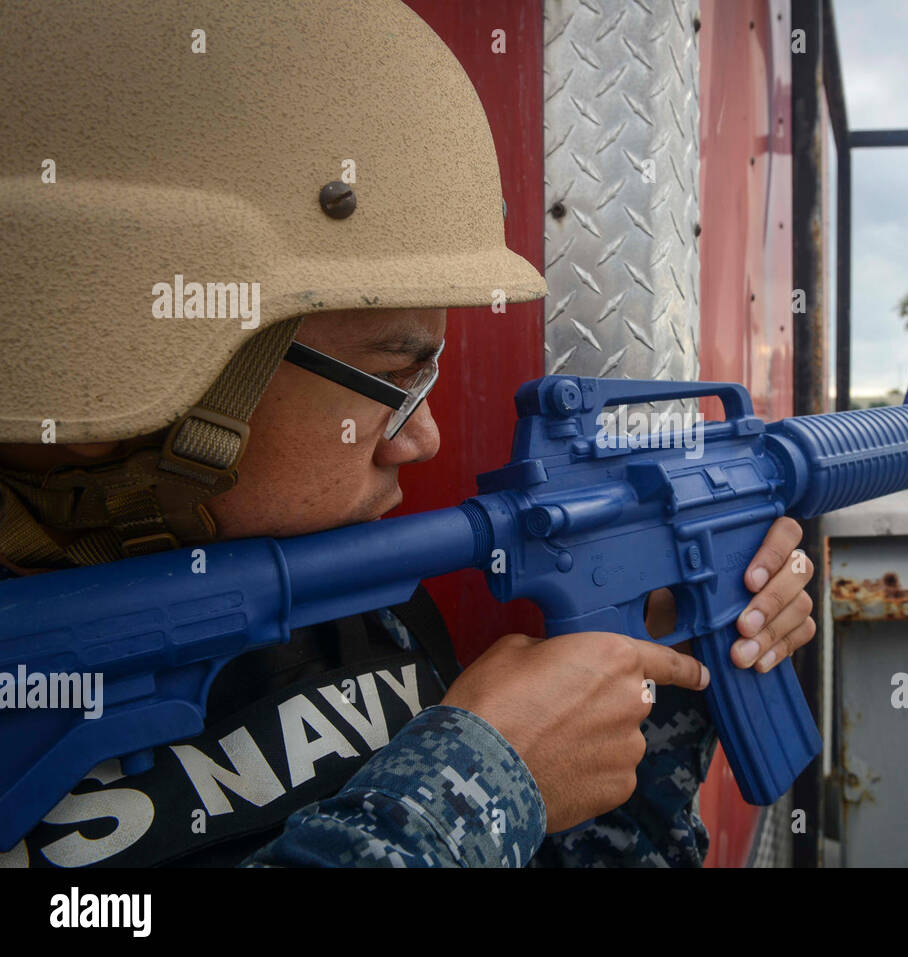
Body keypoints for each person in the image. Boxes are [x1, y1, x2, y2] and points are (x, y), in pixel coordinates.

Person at [0, 0, 816, 868]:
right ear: (134, 361)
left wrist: (673, 653)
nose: (421, 437)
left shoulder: (359, 601)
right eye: (392, 378)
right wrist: (474, 786)